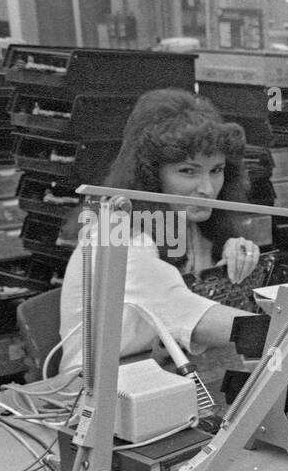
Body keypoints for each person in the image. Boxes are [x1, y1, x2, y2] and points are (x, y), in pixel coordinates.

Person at [57, 89, 262, 376]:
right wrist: (287, 328)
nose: (207, 188)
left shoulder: (189, 222)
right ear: (151, 175)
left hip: (160, 373)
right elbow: (193, 317)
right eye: (188, 172)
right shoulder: (118, 236)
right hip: (94, 391)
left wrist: (231, 261)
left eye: (216, 170)